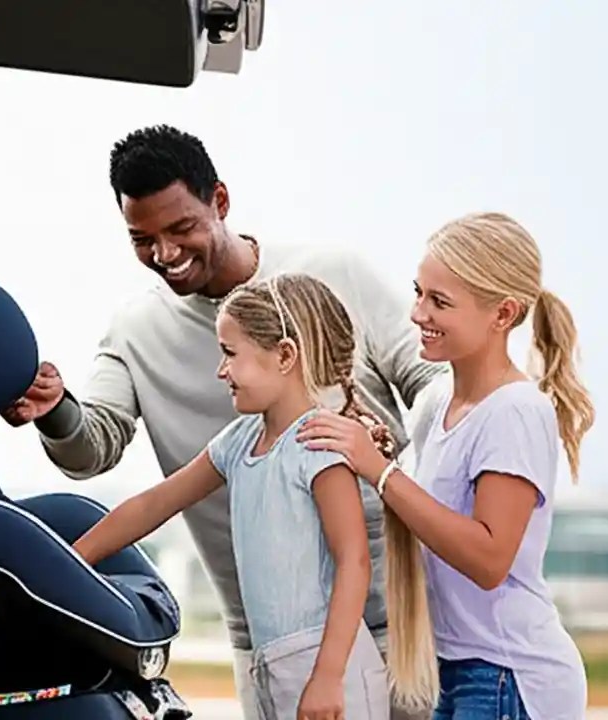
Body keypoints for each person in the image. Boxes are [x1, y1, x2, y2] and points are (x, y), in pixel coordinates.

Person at [0, 124, 443, 719]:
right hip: (264, 645)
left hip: (398, 627)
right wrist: (56, 419)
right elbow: (108, 462)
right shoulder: (149, 346)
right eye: (142, 239)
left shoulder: (334, 277)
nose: (165, 254)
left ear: (221, 202)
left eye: (180, 228)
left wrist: (398, 466)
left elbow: (438, 387)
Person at [296, 211, 595, 720]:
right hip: (455, 668)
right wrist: (382, 455)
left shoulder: (516, 411)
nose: (417, 313)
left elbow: (488, 559)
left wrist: (382, 473)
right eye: (418, 293)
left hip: (508, 676)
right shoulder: (437, 403)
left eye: (439, 302)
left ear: (503, 315)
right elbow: (427, 511)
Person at [74, 274, 397, 719]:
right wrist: (71, 562)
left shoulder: (320, 446)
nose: (220, 370)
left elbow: (354, 561)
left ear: (285, 355)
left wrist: (327, 677)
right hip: (270, 667)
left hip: (330, 671)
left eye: (229, 353)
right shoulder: (237, 441)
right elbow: (155, 504)